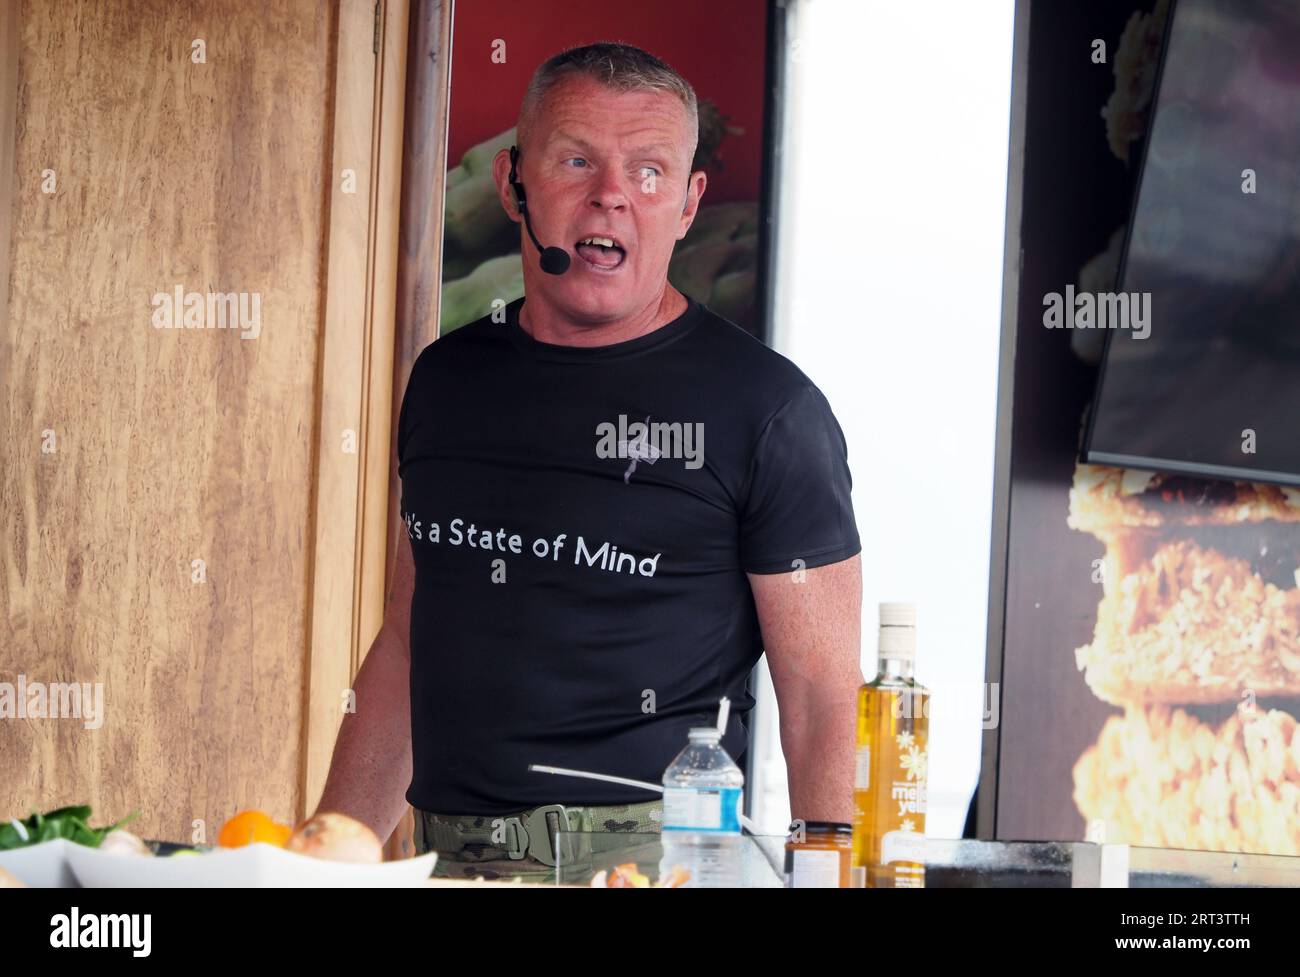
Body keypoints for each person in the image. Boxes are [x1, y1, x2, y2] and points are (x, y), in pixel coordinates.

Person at [315, 41, 863, 884]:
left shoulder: (770, 412)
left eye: (649, 172)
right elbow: (408, 635)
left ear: (688, 203)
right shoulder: (447, 379)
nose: (613, 194)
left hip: (656, 868)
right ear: (513, 183)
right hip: (446, 863)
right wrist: (332, 860)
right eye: (577, 160)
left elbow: (823, 692)